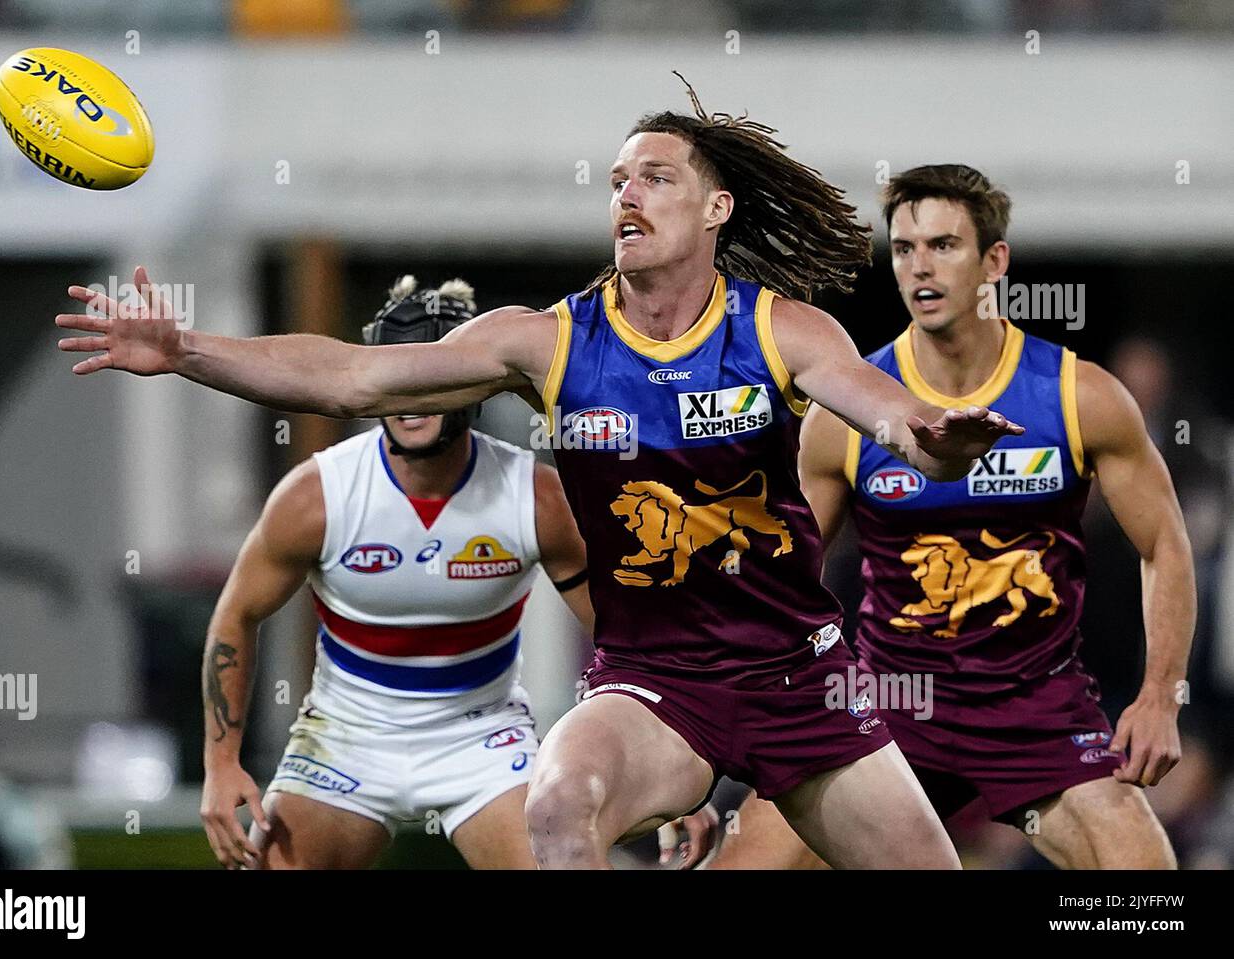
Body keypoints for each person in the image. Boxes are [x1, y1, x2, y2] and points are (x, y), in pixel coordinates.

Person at [57, 81, 1023, 869]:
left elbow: (895, 419)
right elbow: (353, 378)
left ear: (717, 207)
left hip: (802, 681)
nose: (627, 196)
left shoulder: (780, 329)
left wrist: (939, 441)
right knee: (558, 806)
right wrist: (187, 350)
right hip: (655, 686)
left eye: (655, 177)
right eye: (615, 180)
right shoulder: (552, 339)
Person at [712, 164, 1190, 869]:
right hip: (888, 704)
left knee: (1145, 891)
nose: (920, 267)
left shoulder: (1078, 395)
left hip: (1037, 710)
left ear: (995, 260)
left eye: (943, 245)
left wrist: (1159, 696)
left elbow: (1166, 546)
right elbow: (784, 577)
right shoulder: (849, 411)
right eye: (904, 249)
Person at [197, 276, 591, 869]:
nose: (408, 399)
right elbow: (237, 614)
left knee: (563, 861)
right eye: (394, 378)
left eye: (427, 380)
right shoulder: (317, 496)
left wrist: (659, 761)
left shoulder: (537, 499)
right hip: (346, 738)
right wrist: (220, 766)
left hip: (482, 737)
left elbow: (626, 640)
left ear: (472, 387)